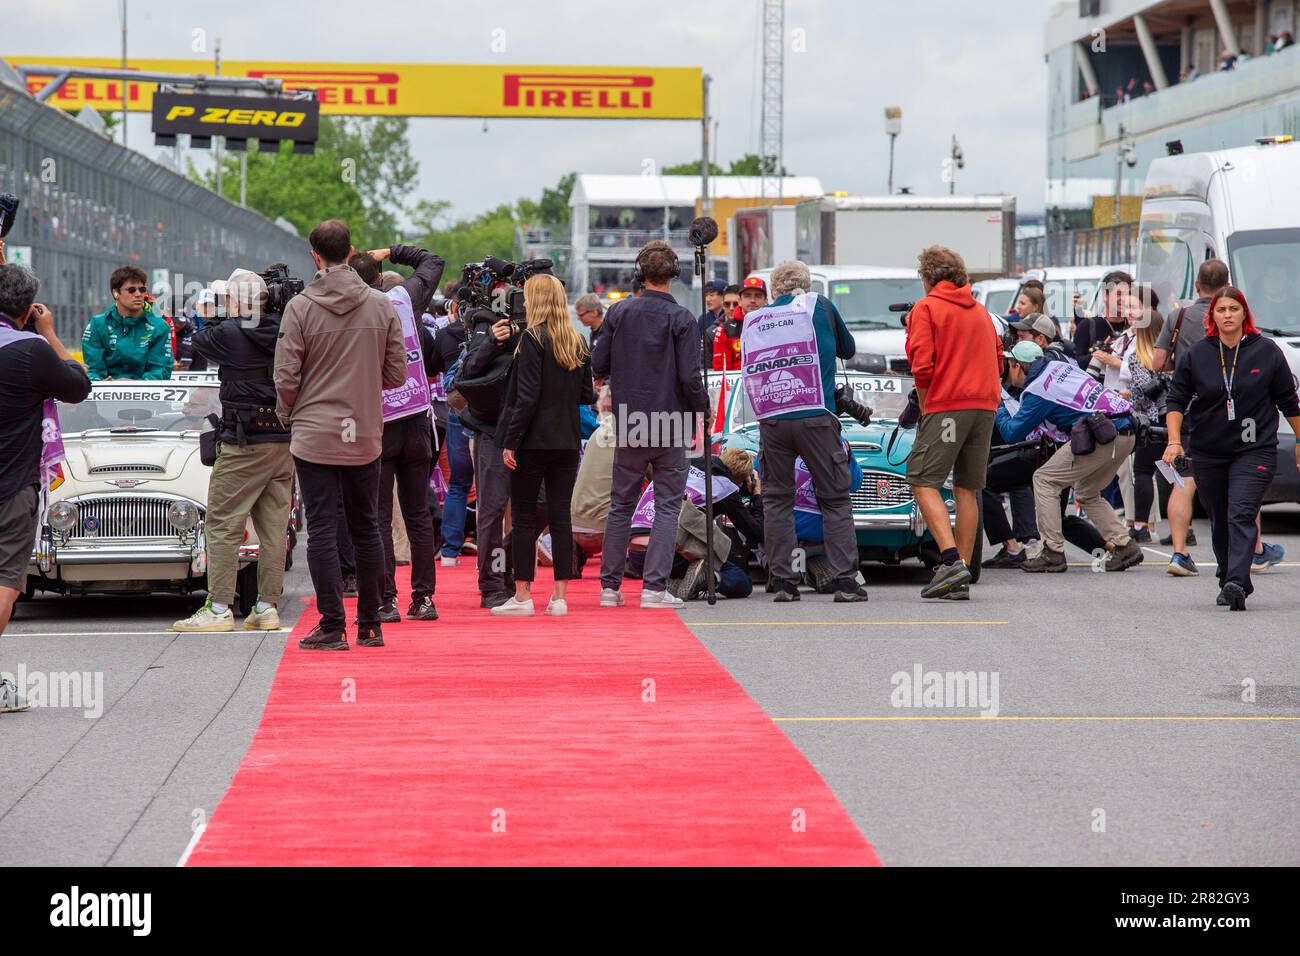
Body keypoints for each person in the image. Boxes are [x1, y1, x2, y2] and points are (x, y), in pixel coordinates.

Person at [275, 219, 407, 650]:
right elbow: (396, 373)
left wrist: (288, 413)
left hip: (314, 432)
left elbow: (286, 375)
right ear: (351, 252)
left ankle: (333, 624)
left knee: (324, 529)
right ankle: (371, 622)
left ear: (316, 255)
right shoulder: (381, 305)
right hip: (364, 430)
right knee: (367, 526)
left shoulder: (299, 307)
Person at [171, 268, 294, 632]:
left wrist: (221, 310)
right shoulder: (286, 329)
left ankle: (219, 606)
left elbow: (200, 336)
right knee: (273, 527)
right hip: (282, 439)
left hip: (243, 441)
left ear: (236, 302)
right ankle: (267, 606)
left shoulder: (228, 333)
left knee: (224, 523)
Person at [1164, 288, 1300, 611]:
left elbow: (1289, 402)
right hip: (1209, 452)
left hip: (1255, 450)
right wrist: (1173, 440)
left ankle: (1238, 581)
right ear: (1212, 316)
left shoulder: (1266, 351)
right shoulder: (1198, 354)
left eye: (1233, 309)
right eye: (1221, 309)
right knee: (1220, 516)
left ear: (1244, 314)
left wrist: (1299, 439)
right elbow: (1176, 400)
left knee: (1241, 511)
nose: (1227, 315)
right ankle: (1228, 575)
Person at [591, 239, 710, 609]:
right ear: (673, 275)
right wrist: (703, 410)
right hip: (670, 422)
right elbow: (691, 378)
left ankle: (610, 588)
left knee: (620, 505)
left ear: (639, 274)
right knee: (667, 507)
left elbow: (598, 363)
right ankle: (653, 589)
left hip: (630, 421)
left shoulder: (619, 312)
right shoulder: (683, 319)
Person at [741, 260, 864, 602]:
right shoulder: (819, 306)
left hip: (773, 420)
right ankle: (845, 582)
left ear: (774, 291)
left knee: (777, 500)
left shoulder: (758, 318)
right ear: (806, 287)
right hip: (816, 416)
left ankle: (783, 582)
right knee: (835, 499)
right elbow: (848, 350)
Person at [0, 264, 91, 712]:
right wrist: (50, 333)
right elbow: (78, 386)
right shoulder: (32, 349)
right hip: (12, 484)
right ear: (27, 309)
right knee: (4, 578)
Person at [350, 244, 445, 624]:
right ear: (378, 277)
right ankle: (423, 599)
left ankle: (385, 599)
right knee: (417, 513)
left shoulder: (352, 311)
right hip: (418, 419)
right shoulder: (405, 300)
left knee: (379, 517)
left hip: (380, 423)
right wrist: (390, 251)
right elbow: (433, 260)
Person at [492, 275, 596, 616]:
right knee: (560, 517)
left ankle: (523, 596)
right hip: (567, 440)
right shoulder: (578, 341)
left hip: (533, 440)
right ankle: (560, 597)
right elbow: (587, 395)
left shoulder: (531, 340)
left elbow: (525, 398)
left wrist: (510, 441)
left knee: (523, 518)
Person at [904, 247, 1003, 599]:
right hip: (986, 406)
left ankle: (950, 561)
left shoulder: (927, 308)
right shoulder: (980, 311)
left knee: (921, 477)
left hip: (948, 405)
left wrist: (929, 408)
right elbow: (999, 361)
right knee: (966, 487)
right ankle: (959, 568)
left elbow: (922, 367)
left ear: (928, 277)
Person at [996, 342, 1144, 573]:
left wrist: (999, 403)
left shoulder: (1037, 390)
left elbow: (1012, 432)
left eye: (1008, 365)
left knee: (1044, 479)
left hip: (1101, 434)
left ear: (1018, 366)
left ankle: (1052, 552)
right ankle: (1125, 545)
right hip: (1126, 430)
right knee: (1087, 492)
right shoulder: (1057, 365)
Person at [1151, 259, 1229, 560]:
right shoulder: (1230, 315)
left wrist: (1183, 366)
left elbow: (1159, 363)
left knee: (1184, 481)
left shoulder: (1179, 316)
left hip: (1185, 410)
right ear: (1227, 285)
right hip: (1225, 409)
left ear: (1197, 286)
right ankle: (1256, 550)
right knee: (1237, 480)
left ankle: (1180, 553)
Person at [426, 280, 475, 568]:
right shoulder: (501, 333)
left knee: (458, 482)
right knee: (497, 487)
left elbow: (432, 367)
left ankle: (450, 551)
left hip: (457, 409)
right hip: (489, 413)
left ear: (455, 307)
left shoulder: (445, 335)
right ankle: (496, 546)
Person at [1121, 308, 1166, 544]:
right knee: (1182, 475)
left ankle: (1140, 526)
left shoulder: (1137, 357)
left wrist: (1128, 397)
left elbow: (1141, 394)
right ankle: (1186, 528)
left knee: (1143, 472)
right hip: (1176, 419)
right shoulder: (1173, 356)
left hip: (1151, 422)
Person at [82, 266, 173, 381]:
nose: (138, 294)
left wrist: (133, 386)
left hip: (146, 394)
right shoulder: (97, 324)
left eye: (142, 289)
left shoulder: (160, 326)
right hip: (105, 393)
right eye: (131, 290)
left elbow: (160, 371)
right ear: (116, 293)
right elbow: (93, 370)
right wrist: (103, 383)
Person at [1073, 270, 1130, 370]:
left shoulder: (1134, 327)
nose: (1124, 299)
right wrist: (1098, 354)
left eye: (1127, 294)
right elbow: (1075, 364)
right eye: (1119, 294)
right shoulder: (1088, 326)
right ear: (1105, 296)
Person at [713, 276, 767, 372]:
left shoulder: (774, 325)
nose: (753, 300)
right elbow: (722, 371)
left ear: (766, 301)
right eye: (747, 296)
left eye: (758, 296)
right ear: (739, 301)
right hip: (738, 385)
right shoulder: (725, 329)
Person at [698, 279, 727, 357]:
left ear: (723, 297)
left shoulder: (730, 316)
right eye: (706, 295)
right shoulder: (703, 319)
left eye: (711, 295)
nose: (707, 299)